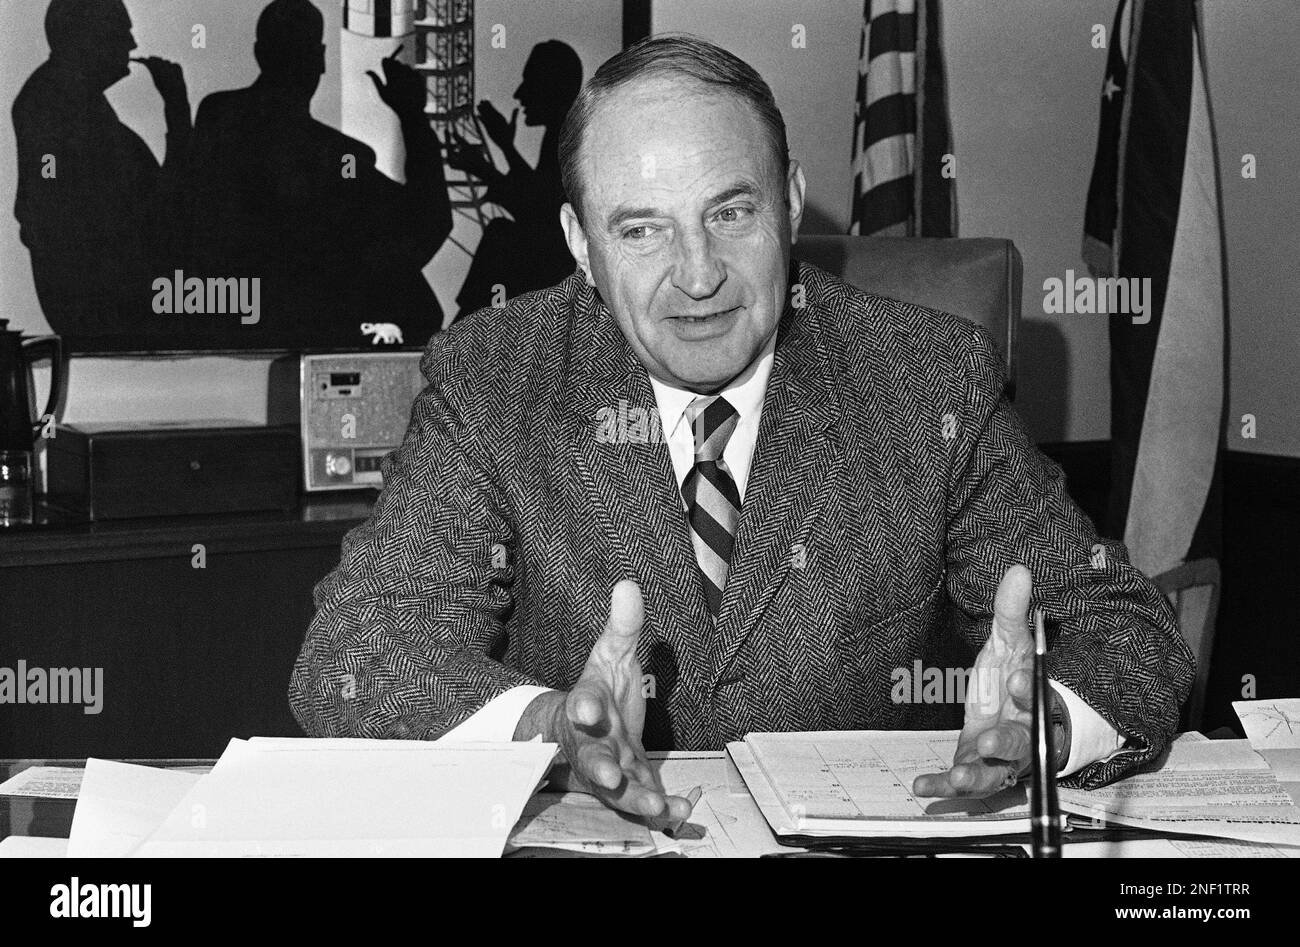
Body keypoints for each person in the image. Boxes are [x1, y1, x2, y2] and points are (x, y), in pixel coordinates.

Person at [291, 35, 1193, 826]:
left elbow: (1129, 630)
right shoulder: (497, 377)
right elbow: (354, 655)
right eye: (641, 230)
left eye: (730, 213)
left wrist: (1049, 720)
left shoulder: (927, 381)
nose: (698, 275)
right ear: (578, 242)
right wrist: (550, 727)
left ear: (790, 200)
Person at [184, 0, 451, 348]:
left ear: (260, 53)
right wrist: (412, 116)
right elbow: (428, 221)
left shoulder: (218, 115)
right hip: (312, 323)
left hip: (228, 313)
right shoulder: (336, 156)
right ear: (320, 59)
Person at [13, 0, 190, 347]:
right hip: (109, 300)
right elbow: (48, 187)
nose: (132, 44)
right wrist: (177, 112)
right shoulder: (52, 107)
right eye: (121, 32)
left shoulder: (70, 103)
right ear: (86, 39)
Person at [445, 40, 582, 318]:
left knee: (501, 236)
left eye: (530, 82)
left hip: (552, 276)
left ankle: (467, 326)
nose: (519, 94)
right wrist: (504, 148)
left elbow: (538, 212)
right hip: (554, 274)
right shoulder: (566, 133)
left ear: (551, 88)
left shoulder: (566, 137)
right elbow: (537, 196)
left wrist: (494, 159)